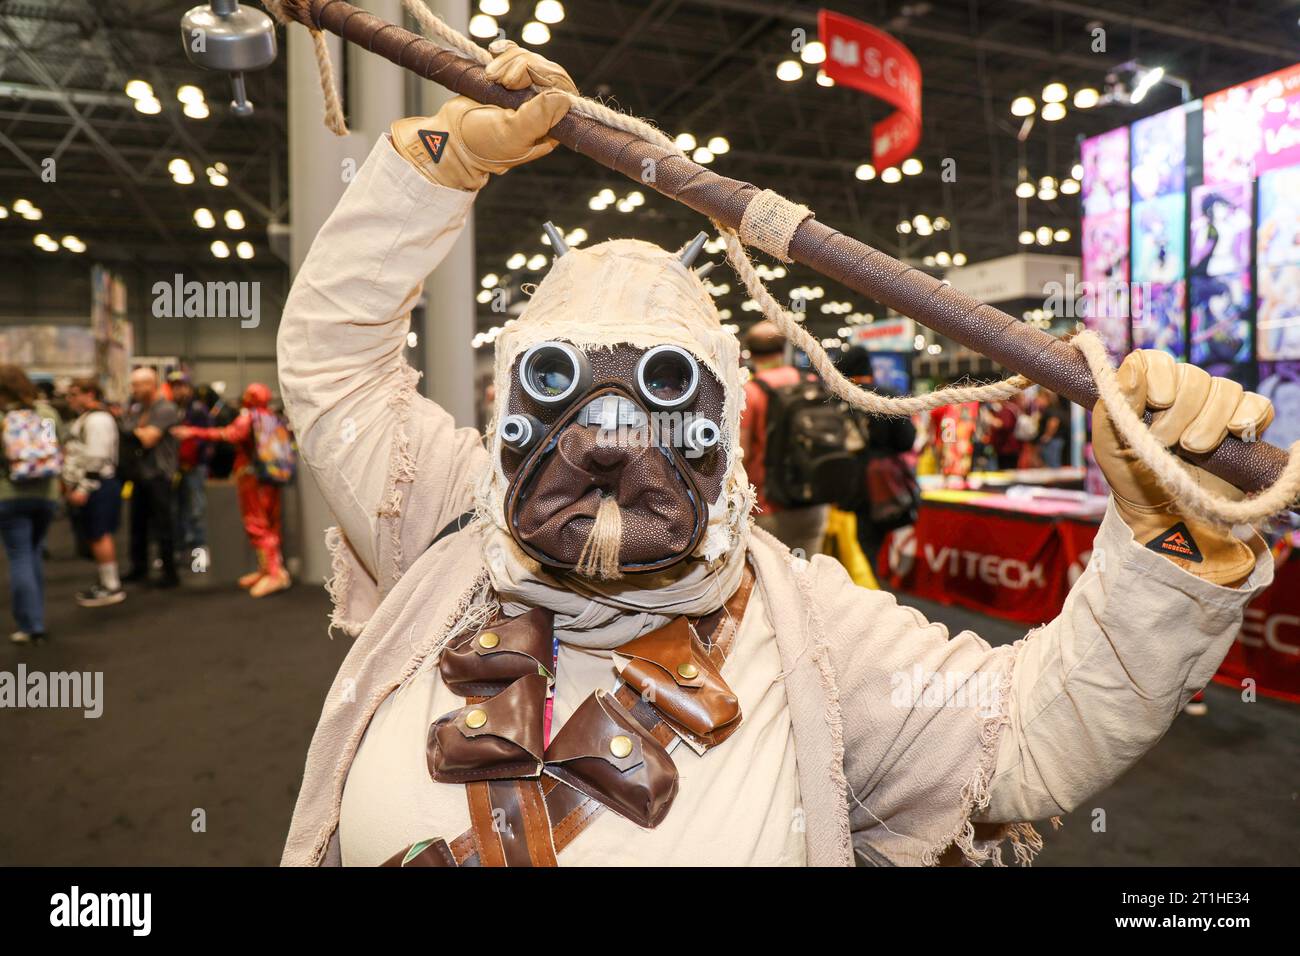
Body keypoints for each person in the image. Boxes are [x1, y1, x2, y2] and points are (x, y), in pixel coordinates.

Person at [277, 44, 1276, 868]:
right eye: (560, 383)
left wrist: (1163, 541)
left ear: (725, 416)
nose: (609, 436)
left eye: (664, 387)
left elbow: (1022, 732)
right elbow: (337, 369)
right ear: (505, 412)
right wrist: (432, 166)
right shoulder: (448, 522)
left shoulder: (809, 628)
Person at [171, 383, 291, 598]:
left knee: (257, 524)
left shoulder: (249, 417)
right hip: (273, 477)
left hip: (252, 477)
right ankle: (269, 570)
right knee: (271, 523)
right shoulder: (272, 417)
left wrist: (193, 432)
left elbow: (230, 435)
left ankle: (274, 574)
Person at [738, 320, 829, 557]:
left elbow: (742, 453)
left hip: (769, 506)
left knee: (772, 582)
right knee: (808, 575)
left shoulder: (752, 392)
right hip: (814, 500)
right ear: (785, 347)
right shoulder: (811, 383)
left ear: (751, 351)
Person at [837, 346, 917, 572]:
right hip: (889, 486)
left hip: (853, 487)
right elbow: (907, 441)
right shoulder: (888, 395)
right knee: (888, 546)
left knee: (860, 549)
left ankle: (869, 590)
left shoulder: (840, 400)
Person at [0, 365, 61, 643]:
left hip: (10, 494)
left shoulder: (3, 417)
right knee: (34, 552)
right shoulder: (46, 414)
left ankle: (30, 623)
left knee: (20, 556)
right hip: (46, 494)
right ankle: (36, 617)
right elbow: (54, 448)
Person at [63, 378, 125, 607]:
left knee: (100, 534)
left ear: (90, 394)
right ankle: (106, 582)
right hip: (93, 483)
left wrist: (84, 487)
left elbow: (97, 457)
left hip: (98, 484)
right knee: (94, 534)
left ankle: (111, 586)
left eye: (75, 393)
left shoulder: (98, 419)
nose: (70, 399)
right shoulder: (86, 418)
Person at [120, 367, 181, 588]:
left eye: (137, 385)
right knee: (137, 525)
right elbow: (132, 431)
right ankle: (139, 568)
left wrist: (132, 430)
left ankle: (169, 572)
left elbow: (148, 438)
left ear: (150, 385)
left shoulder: (165, 408)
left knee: (163, 526)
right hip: (139, 474)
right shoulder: (137, 409)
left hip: (160, 475)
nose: (133, 390)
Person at [166, 371, 211, 568]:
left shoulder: (198, 410)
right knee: (175, 512)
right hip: (174, 468)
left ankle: (199, 557)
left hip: (194, 467)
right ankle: (178, 554)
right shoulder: (170, 410)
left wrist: (196, 453)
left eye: (181, 386)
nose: (178, 390)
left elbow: (208, 438)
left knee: (195, 511)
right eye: (174, 386)